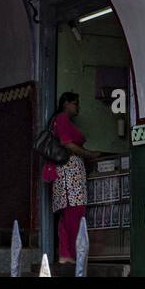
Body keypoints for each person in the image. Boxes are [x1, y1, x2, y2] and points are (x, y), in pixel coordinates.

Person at [45, 93, 102, 264]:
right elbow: (67, 143)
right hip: (69, 174)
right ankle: (75, 255)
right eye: (75, 104)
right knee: (74, 213)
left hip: (69, 173)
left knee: (68, 215)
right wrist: (89, 154)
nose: (78, 107)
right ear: (66, 104)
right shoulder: (61, 119)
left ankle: (66, 254)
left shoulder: (61, 120)